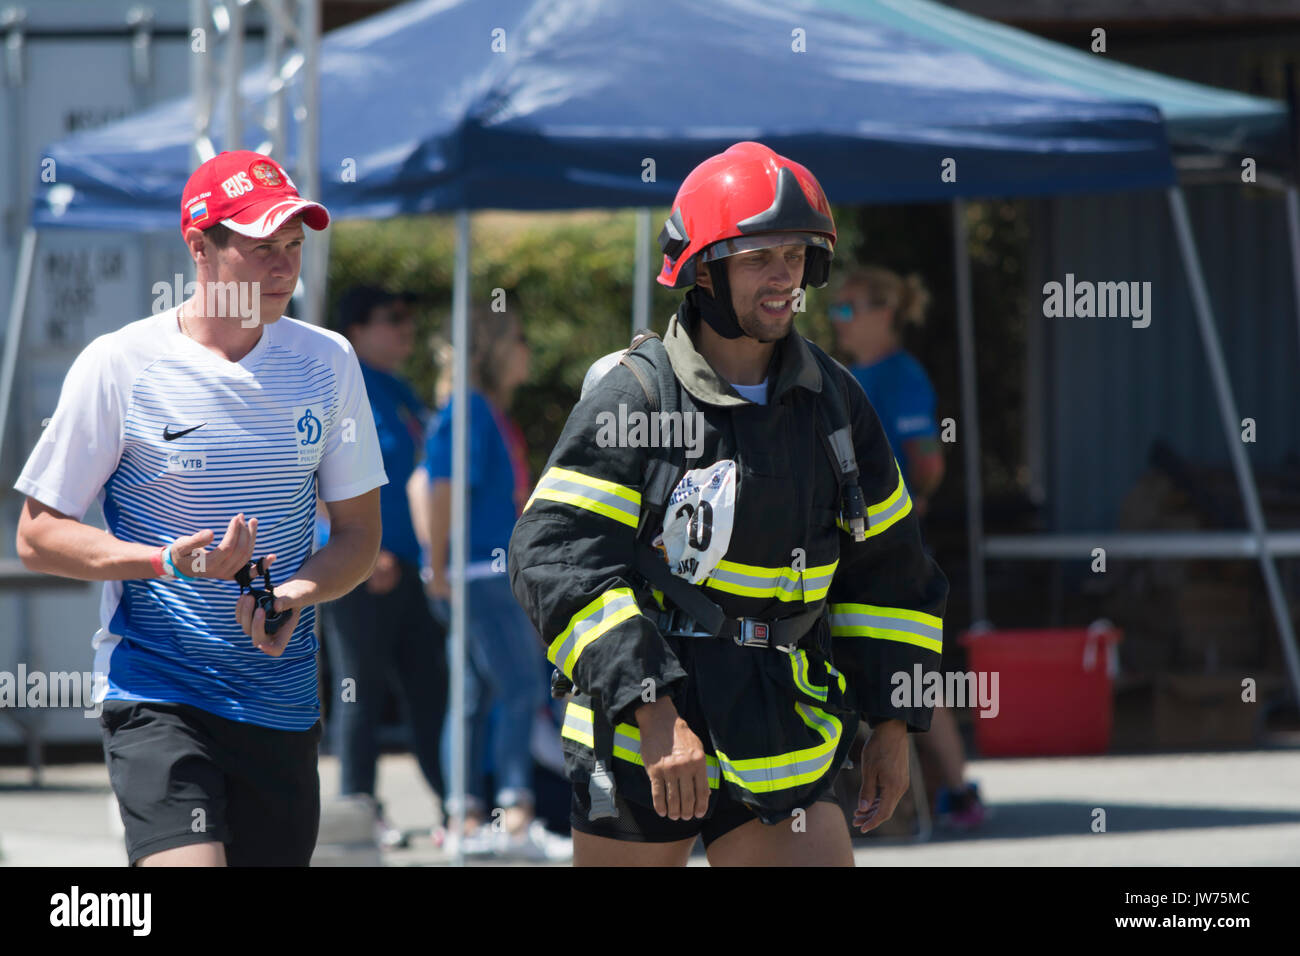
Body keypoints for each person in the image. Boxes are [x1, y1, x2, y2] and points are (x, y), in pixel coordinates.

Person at [508, 141, 949, 866]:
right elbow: (555, 555)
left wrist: (893, 723)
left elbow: (890, 571)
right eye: (758, 258)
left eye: (798, 256)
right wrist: (653, 710)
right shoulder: (637, 397)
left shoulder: (835, 401)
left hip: (784, 728)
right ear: (703, 271)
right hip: (643, 732)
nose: (785, 279)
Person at [13, 150, 385, 866]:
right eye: (260, 248)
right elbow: (39, 536)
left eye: (294, 247)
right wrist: (162, 562)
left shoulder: (328, 360)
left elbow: (360, 535)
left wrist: (294, 593)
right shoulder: (119, 364)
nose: (283, 268)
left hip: (279, 704)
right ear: (199, 248)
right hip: (156, 693)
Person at [830, 267, 985, 829]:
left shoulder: (902, 375)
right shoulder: (841, 372)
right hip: (845, 546)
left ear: (884, 312)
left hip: (886, 550)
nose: (836, 320)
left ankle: (960, 788)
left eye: (848, 309)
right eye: (835, 309)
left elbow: (929, 462)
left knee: (905, 665)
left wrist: (908, 506)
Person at [417, 305, 570, 861]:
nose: (529, 349)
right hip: (478, 573)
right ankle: (511, 818)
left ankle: (469, 818)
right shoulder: (469, 411)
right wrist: (436, 567)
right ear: (497, 347)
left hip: (474, 571)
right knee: (519, 689)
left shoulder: (475, 410)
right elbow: (438, 487)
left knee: (475, 696)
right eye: (521, 337)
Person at [321, 286, 448, 849]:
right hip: (357, 570)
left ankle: (459, 804)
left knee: (432, 688)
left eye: (410, 318)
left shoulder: (399, 388)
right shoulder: (343, 387)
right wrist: (358, 554)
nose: (407, 330)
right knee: (358, 690)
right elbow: (316, 477)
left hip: (411, 570)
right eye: (392, 318)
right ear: (357, 328)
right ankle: (358, 809)